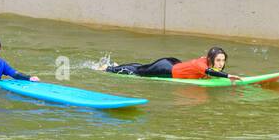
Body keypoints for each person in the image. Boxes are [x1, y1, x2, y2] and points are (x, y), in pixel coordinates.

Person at [102, 46, 241, 81]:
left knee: (143, 67)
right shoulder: (202, 65)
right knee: (139, 72)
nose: (221, 63)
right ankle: (108, 68)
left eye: (223, 60)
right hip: (165, 69)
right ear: (211, 59)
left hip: (174, 63)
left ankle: (117, 65)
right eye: (218, 60)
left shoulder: (207, 62)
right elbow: (209, 72)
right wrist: (228, 76)